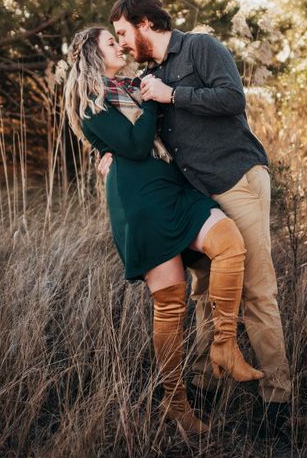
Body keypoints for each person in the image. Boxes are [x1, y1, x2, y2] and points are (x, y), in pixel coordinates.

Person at [62, 26, 264, 438]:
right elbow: (135, 146)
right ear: (91, 54)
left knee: (229, 244)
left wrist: (153, 95)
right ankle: (175, 402)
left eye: (119, 38)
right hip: (139, 202)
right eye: (109, 42)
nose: (119, 45)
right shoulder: (90, 102)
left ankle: (224, 344)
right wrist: (149, 102)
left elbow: (158, 127)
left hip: (173, 187)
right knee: (170, 304)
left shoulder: (132, 86)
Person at [101, 0, 293, 418]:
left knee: (257, 292)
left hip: (236, 180)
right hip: (198, 197)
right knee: (205, 291)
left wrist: (173, 95)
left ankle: (279, 401)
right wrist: (109, 149)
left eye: (123, 32)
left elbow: (231, 98)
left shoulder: (200, 48)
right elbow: (138, 133)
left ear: (146, 23)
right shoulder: (152, 74)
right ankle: (206, 383)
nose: (123, 43)